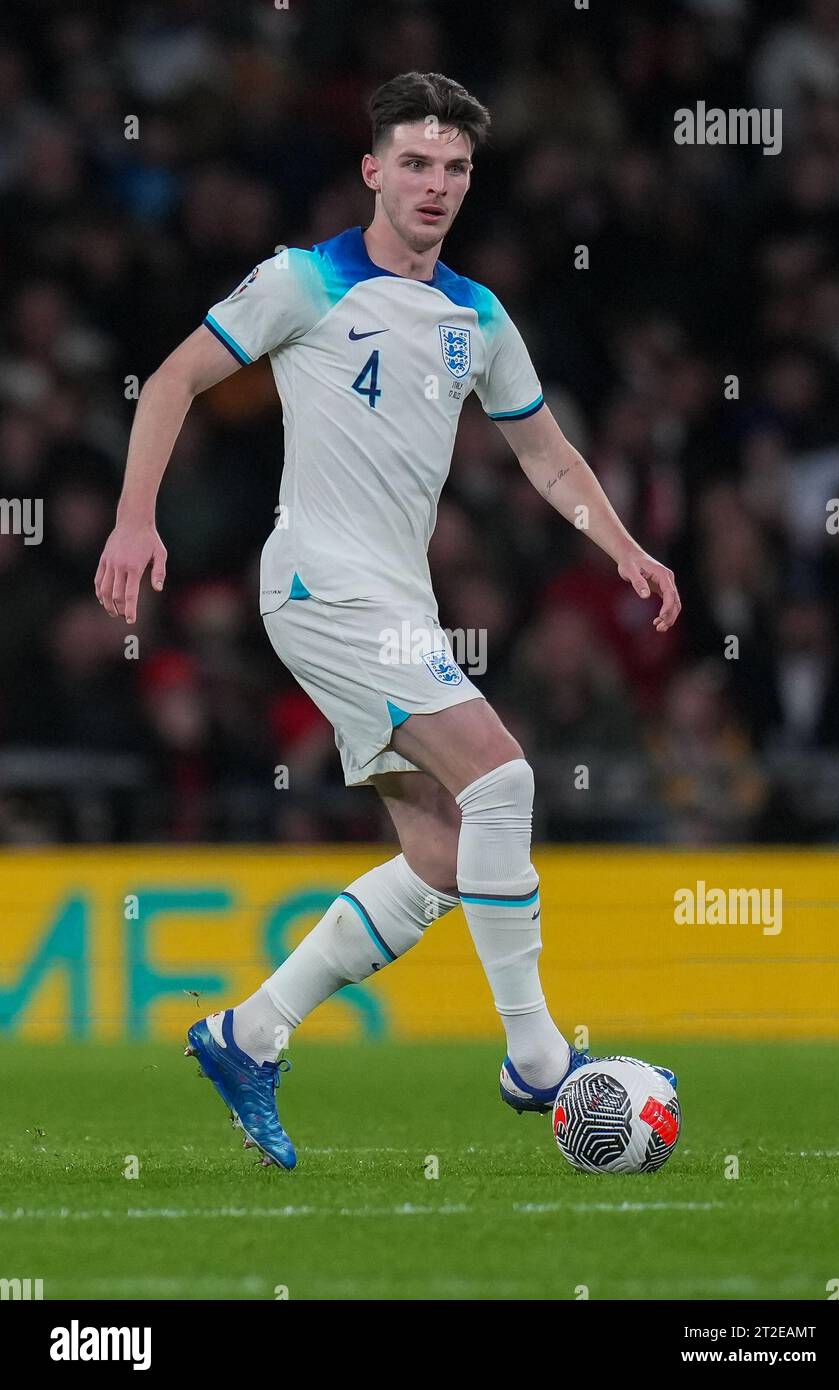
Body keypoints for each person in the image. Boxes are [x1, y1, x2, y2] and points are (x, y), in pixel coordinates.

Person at [94, 72, 680, 1169]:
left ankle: (248, 1031)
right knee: (502, 779)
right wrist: (135, 521)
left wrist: (624, 545)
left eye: (454, 169)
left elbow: (544, 452)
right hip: (320, 585)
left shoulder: (477, 314)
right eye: (414, 163)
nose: (435, 184)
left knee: (447, 856)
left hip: (393, 600)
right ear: (372, 169)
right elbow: (170, 380)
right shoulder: (303, 282)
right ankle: (539, 1061)